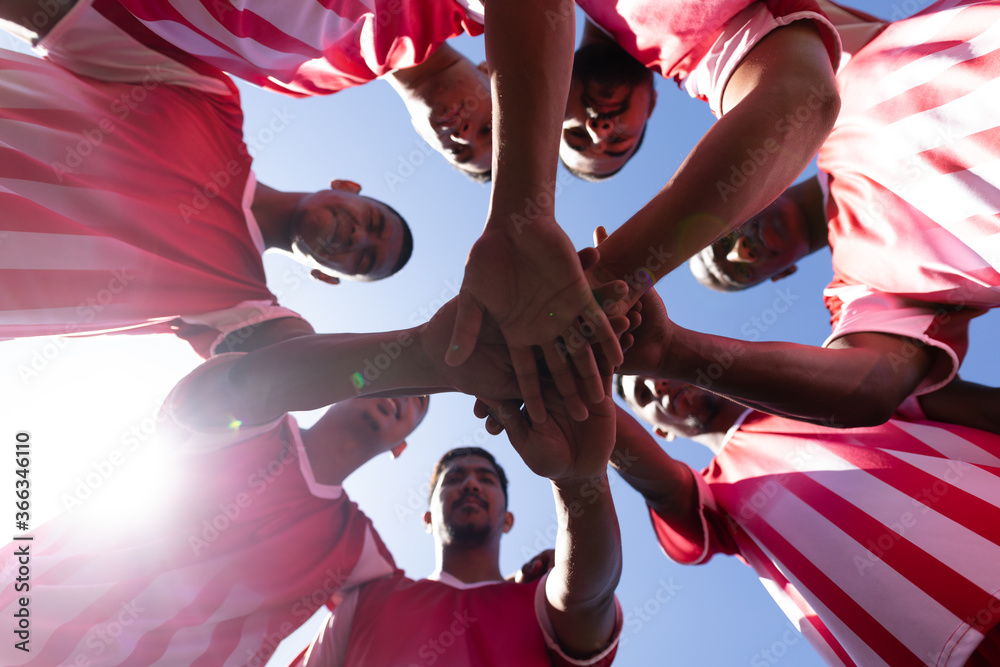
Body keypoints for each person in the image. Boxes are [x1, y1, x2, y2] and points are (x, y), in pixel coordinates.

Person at [0, 10, 412, 358]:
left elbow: (287, 366)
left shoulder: (237, 305)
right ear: (346, 185)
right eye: (372, 223)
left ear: (326, 277)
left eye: (363, 261)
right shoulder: (211, 97)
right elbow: (56, 15)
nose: (358, 238)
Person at [683, 0, 1000, 424]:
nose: (742, 252)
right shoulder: (864, 292)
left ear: (734, 204)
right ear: (780, 275)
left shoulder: (819, 68)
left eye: (722, 242)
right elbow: (866, 388)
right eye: (742, 271)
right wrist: (672, 352)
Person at [612, 372, 1000, 666]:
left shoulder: (833, 388)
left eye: (657, 368)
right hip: (934, 651)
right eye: (643, 394)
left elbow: (977, 409)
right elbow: (661, 486)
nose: (658, 385)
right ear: (660, 431)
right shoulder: (712, 498)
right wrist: (583, 402)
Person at [297, 442, 623, 666]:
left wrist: (578, 477)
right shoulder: (366, 600)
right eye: (454, 478)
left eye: (486, 479)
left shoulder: (544, 601)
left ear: (508, 520)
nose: (471, 485)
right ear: (427, 518)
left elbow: (590, 595)